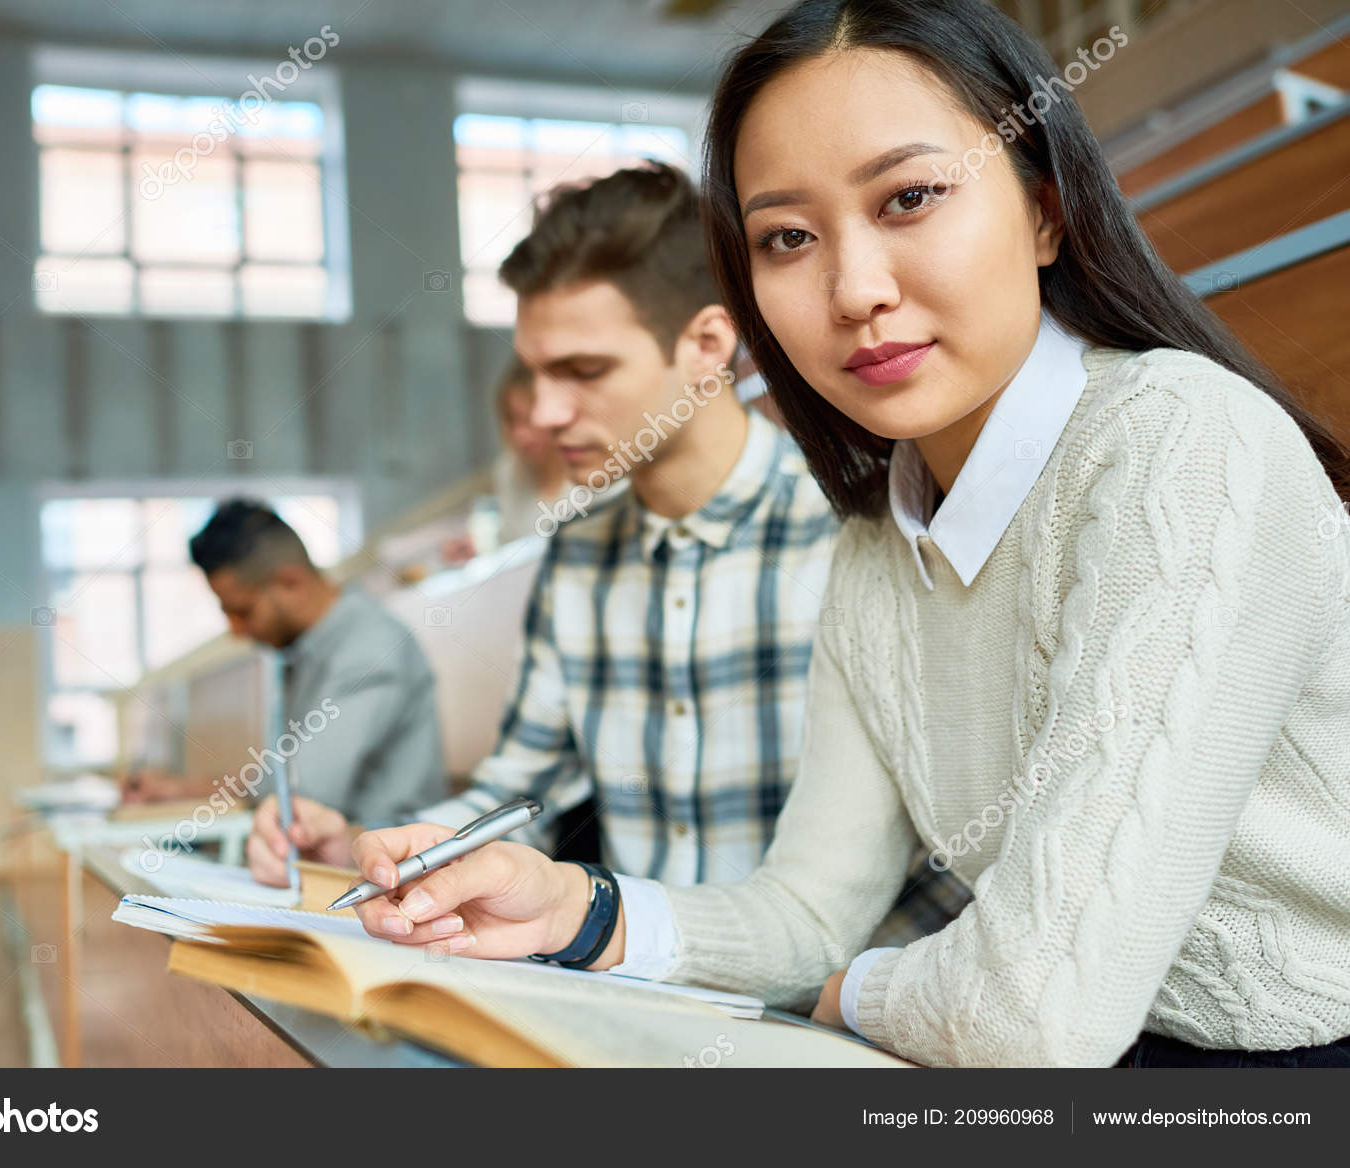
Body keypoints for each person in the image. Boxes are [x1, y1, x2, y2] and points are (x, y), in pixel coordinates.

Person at [337, 0, 1350, 1069]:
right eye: (787, 237)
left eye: (909, 197)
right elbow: (807, 912)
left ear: (1044, 211)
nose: (854, 292)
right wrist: (570, 909)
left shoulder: (1182, 440)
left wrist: (849, 991)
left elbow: (1035, 1014)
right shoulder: (879, 539)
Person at [251, 162, 973, 951]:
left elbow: (953, 850)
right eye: (535, 372)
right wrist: (393, 851)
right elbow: (519, 795)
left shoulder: (865, 528)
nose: (546, 411)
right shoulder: (580, 556)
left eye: (584, 371)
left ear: (706, 344)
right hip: (639, 993)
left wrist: (859, 1004)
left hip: (842, 1027)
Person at [125, 499, 447, 828]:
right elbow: (281, 783)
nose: (236, 632)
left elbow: (302, 794)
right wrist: (177, 790)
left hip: (386, 865)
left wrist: (186, 790)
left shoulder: (373, 648)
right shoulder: (305, 651)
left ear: (291, 582)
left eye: (244, 611)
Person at [491, 356, 570, 544]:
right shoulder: (509, 471)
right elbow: (508, 545)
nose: (520, 435)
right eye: (511, 421)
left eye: (528, 420)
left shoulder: (590, 474)